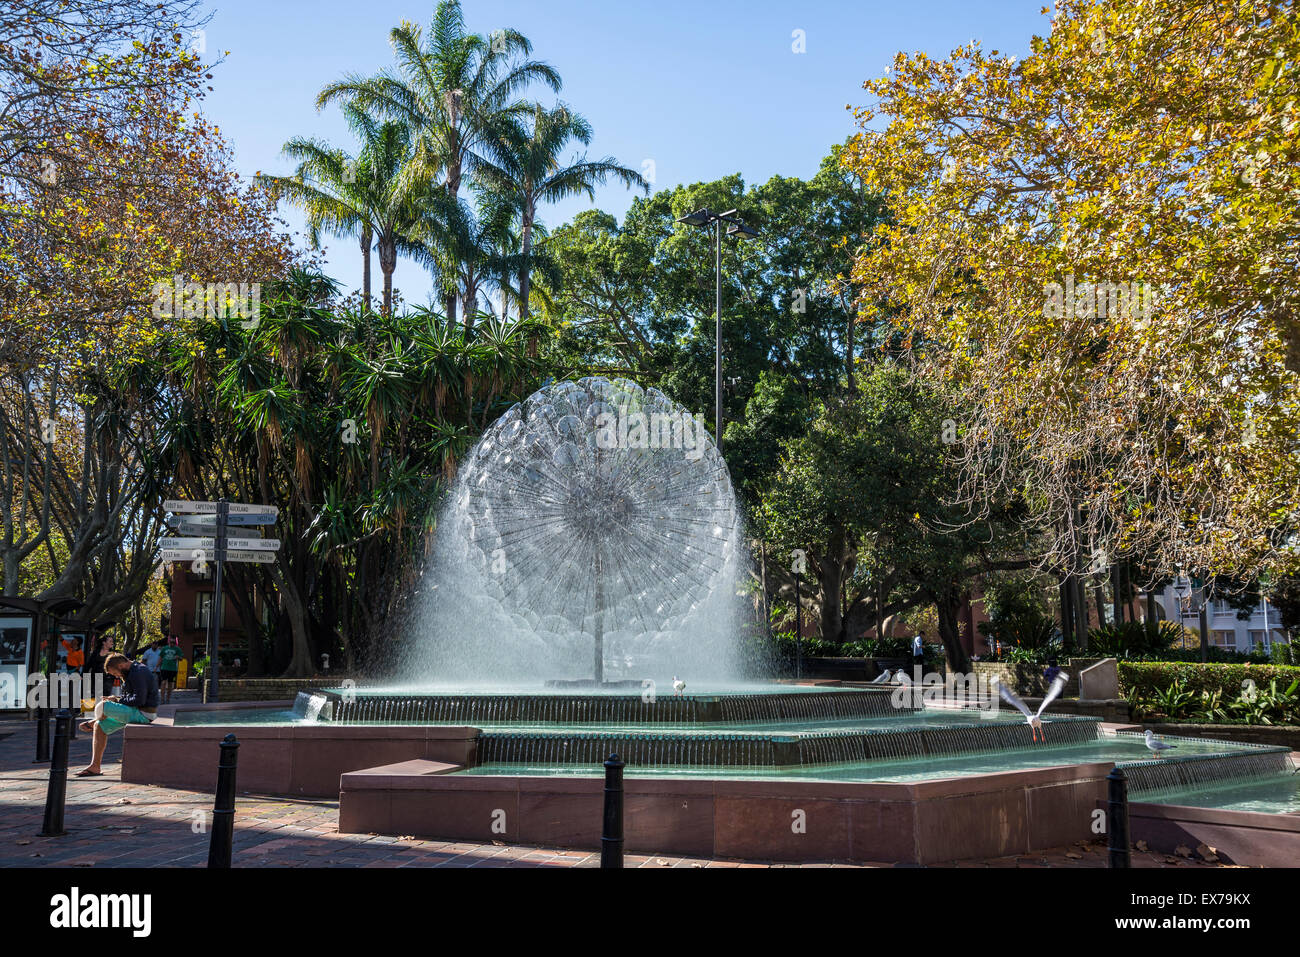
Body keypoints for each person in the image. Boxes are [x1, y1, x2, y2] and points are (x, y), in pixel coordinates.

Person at [76, 653, 158, 776]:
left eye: (115, 673)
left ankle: (92, 722)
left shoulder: (139, 672)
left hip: (143, 714)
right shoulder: (131, 671)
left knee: (103, 706)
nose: (117, 676)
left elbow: (139, 700)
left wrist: (116, 701)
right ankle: (95, 766)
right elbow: (130, 697)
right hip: (135, 711)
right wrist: (116, 698)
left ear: (120, 665)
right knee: (100, 725)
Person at [157, 637, 182, 704]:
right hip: (164, 668)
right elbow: (160, 657)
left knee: (170, 684)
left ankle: (168, 699)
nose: (172, 644)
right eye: (171, 642)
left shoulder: (177, 649)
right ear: (168, 642)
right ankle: (162, 699)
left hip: (173, 669)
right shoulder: (165, 648)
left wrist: (178, 657)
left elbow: (181, 658)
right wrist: (156, 666)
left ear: (175, 643)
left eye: (174, 643)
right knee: (163, 682)